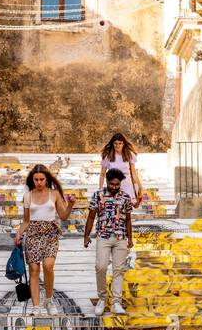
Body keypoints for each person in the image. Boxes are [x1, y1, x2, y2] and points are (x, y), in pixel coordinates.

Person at [14, 163, 76, 315]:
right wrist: (19, 233)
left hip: (50, 232)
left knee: (48, 265)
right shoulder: (28, 196)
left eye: (42, 179)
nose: (39, 182)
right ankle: (36, 306)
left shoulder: (54, 194)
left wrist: (71, 205)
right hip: (33, 233)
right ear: (32, 180)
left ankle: (48, 300)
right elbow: (26, 220)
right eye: (36, 179)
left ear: (47, 179)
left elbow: (63, 216)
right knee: (34, 269)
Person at [83, 168, 133, 315]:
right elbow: (91, 216)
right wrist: (86, 236)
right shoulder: (98, 195)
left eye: (117, 185)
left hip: (120, 237)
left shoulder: (125, 197)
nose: (114, 187)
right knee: (101, 267)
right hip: (103, 236)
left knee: (119, 269)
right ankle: (102, 298)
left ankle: (117, 302)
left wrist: (130, 238)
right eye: (112, 184)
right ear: (107, 182)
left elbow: (128, 219)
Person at [100, 131, 143, 206]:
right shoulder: (108, 156)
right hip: (113, 185)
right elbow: (102, 174)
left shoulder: (129, 155)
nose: (118, 145)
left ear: (123, 144)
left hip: (126, 184)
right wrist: (100, 190)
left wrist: (140, 186)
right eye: (115, 143)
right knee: (114, 208)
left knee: (127, 208)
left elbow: (133, 173)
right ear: (113, 144)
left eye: (120, 143)